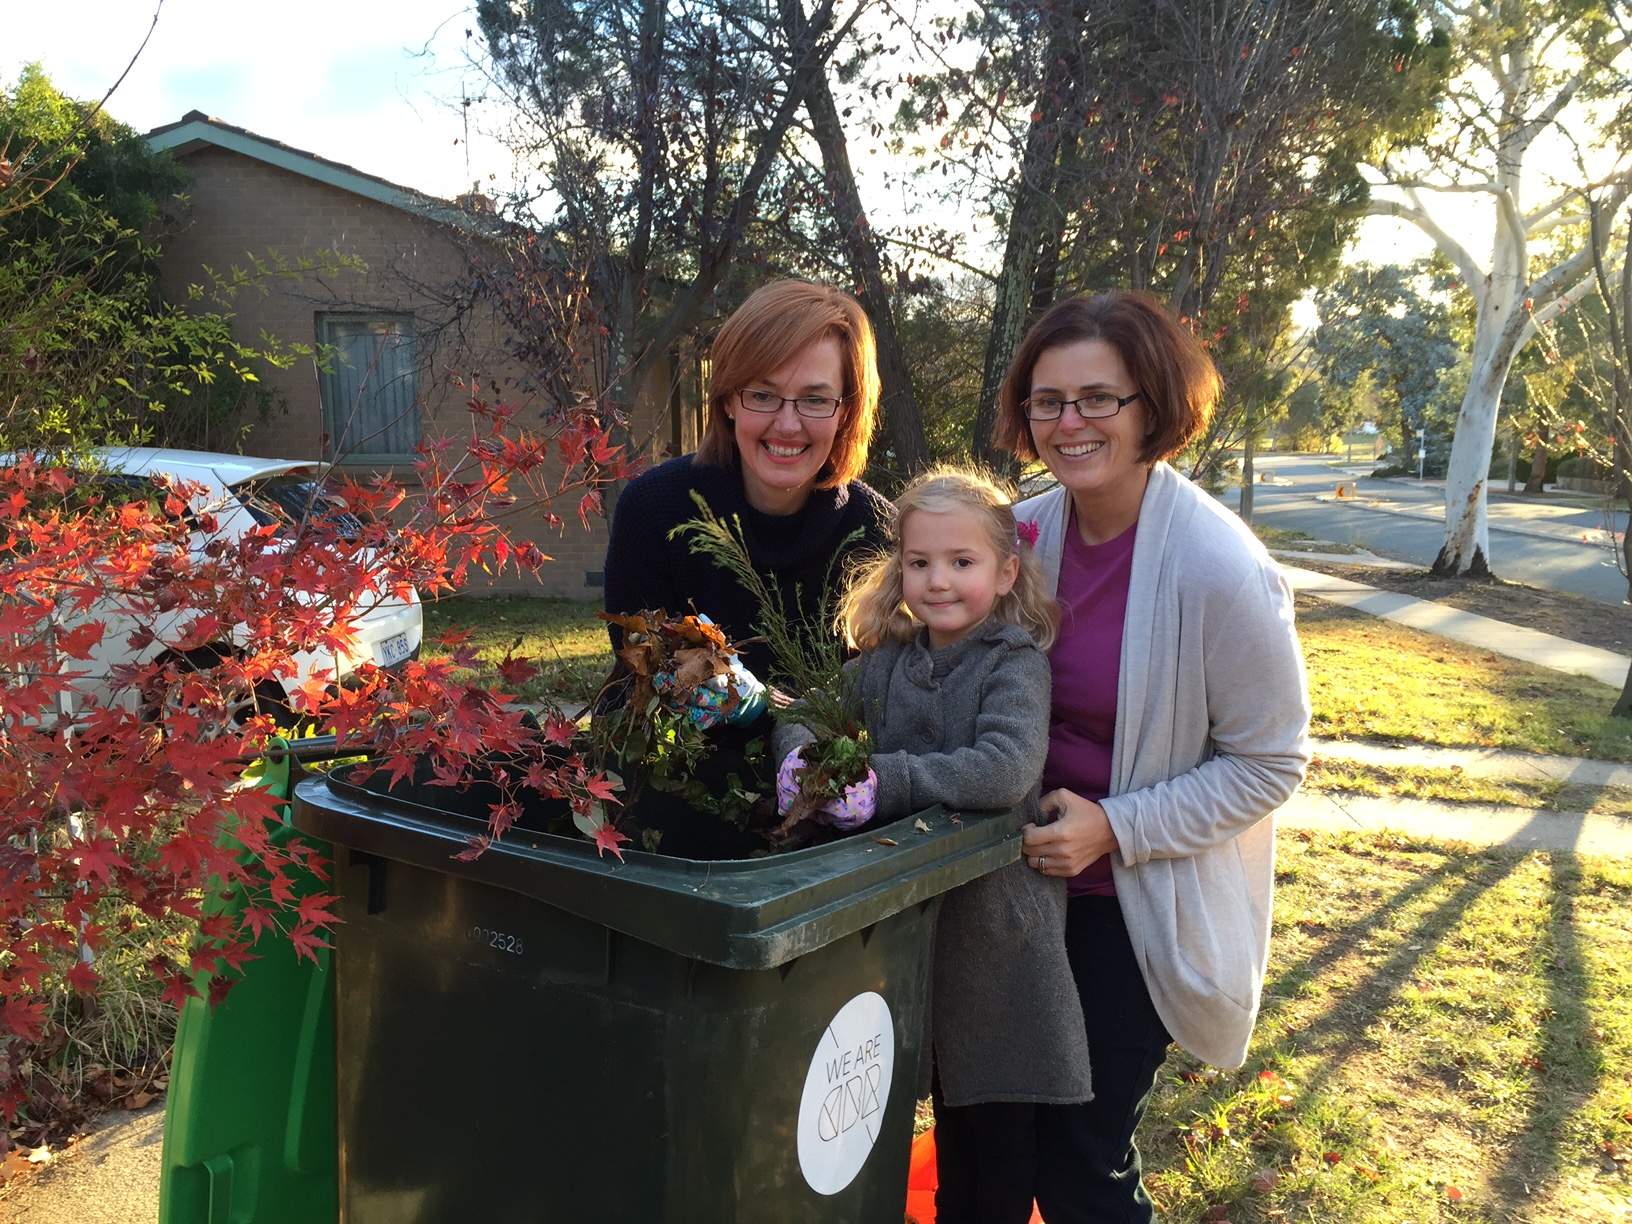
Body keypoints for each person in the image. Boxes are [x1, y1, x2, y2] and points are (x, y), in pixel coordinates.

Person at [995, 291, 1311, 1221]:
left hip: (1133, 906)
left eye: (1101, 398)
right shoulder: (1019, 537)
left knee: (1083, 1158)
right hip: (1012, 892)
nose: (1071, 422)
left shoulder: (1219, 567)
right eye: (1048, 401)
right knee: (999, 1141)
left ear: (1154, 408)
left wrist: (1117, 829)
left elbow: (1271, 761)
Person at [776, 468, 1092, 1224]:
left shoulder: (1013, 662)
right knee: (948, 1112)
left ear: (1005, 571)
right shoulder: (885, 663)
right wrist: (798, 756)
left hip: (1000, 934)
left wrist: (883, 780)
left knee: (1003, 1128)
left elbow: (1005, 767)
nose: (938, 581)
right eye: (919, 563)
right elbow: (813, 710)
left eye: (961, 563)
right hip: (916, 934)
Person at [601, 279, 893, 853]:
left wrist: (769, 708)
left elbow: (876, 707)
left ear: (846, 411)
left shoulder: (876, 535)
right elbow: (637, 677)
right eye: (764, 394)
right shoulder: (654, 510)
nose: (788, 425)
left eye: (814, 399)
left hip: (820, 822)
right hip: (668, 812)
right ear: (730, 399)